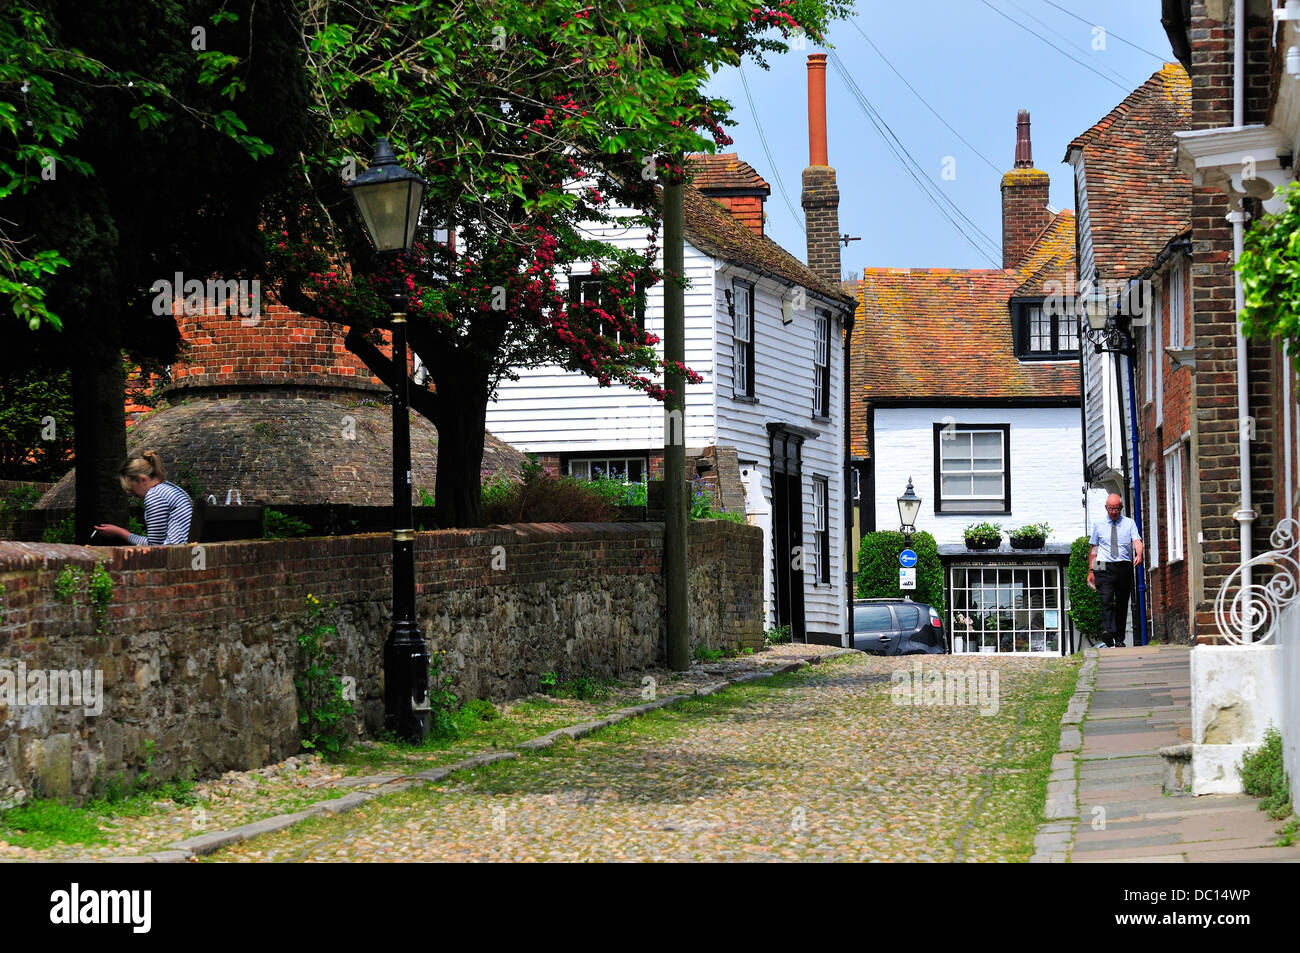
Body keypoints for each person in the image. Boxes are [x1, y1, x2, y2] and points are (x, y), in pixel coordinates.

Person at [94, 450, 193, 546]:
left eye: (133, 491)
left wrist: (120, 532)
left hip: (176, 554)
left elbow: (154, 545)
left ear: (143, 479)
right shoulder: (168, 488)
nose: (136, 497)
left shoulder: (155, 496)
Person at [1087, 493, 1143, 648]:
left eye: (1117, 509)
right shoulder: (1098, 524)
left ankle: (1119, 639)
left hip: (1123, 565)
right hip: (1103, 565)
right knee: (1106, 599)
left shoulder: (1129, 523)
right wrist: (1091, 571)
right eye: (1111, 509)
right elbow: (1094, 548)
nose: (1113, 512)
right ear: (1106, 508)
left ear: (1121, 508)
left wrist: (1139, 553)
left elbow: (1137, 540)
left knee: (1122, 603)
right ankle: (1107, 631)